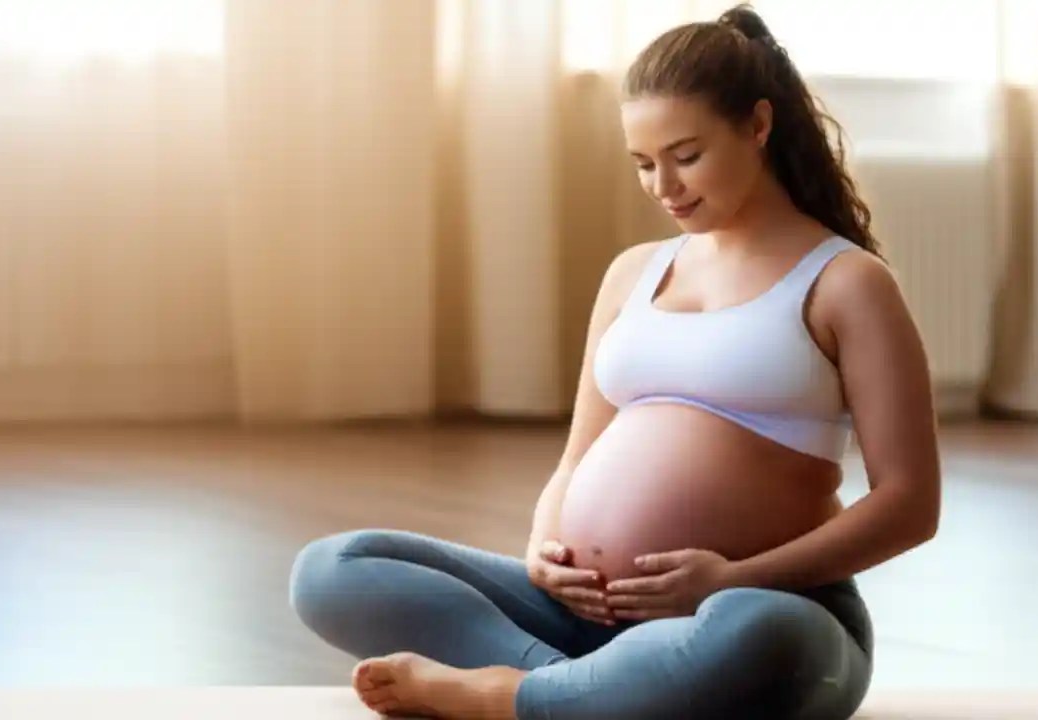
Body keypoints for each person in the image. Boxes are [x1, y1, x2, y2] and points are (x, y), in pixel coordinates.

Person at [288, 5, 941, 719]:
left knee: (761, 642)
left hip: (762, 608)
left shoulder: (845, 282)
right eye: (643, 163)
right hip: (581, 614)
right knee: (330, 570)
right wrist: (543, 543)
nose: (664, 185)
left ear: (758, 126)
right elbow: (578, 457)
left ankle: (510, 694)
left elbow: (910, 503)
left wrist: (730, 579)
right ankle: (581, 690)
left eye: (686, 156)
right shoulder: (634, 273)